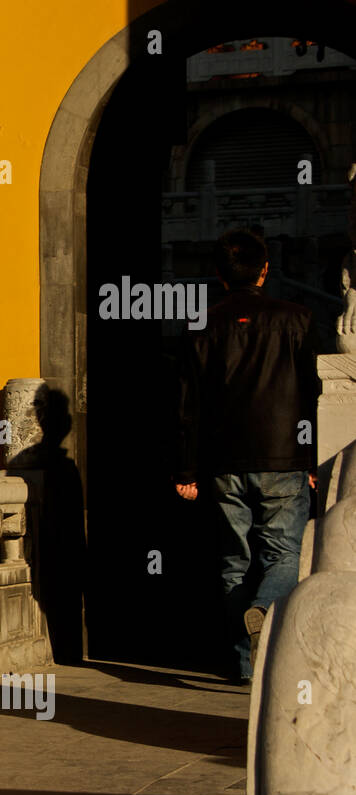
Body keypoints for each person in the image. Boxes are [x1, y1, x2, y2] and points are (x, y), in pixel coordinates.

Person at [174, 227, 321, 682]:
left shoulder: (200, 327)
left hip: (222, 464)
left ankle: (242, 663)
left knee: (233, 561)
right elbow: (309, 393)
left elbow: (188, 405)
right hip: (283, 458)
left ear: (219, 275)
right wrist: (310, 458)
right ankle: (263, 611)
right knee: (283, 556)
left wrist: (187, 470)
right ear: (265, 270)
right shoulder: (298, 318)